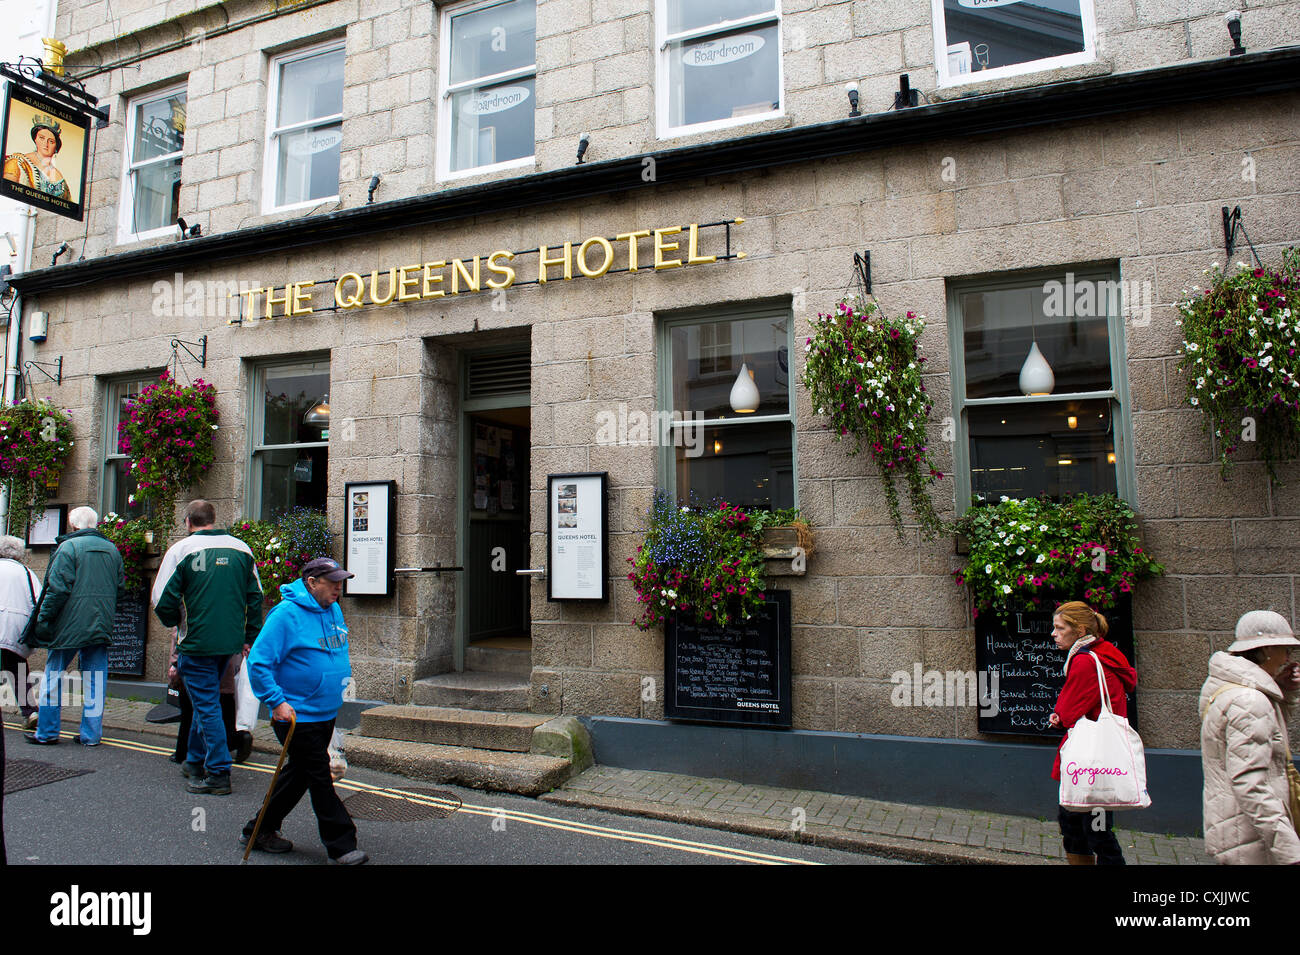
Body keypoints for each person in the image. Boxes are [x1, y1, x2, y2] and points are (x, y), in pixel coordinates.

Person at [242, 557, 366, 864]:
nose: (339, 587)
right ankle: (341, 845)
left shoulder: (333, 608)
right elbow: (258, 662)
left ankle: (258, 831)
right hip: (296, 715)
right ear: (312, 583)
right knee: (319, 777)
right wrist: (276, 701)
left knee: (298, 775)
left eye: (341, 581)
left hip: (324, 711)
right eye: (332, 581)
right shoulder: (285, 615)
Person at [152, 500, 263, 795]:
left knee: (208, 706)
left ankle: (218, 771)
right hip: (229, 643)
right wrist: (249, 636)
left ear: (188, 521)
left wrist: (177, 623)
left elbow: (161, 599)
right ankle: (194, 759)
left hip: (197, 642)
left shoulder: (181, 550)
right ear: (214, 519)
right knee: (207, 702)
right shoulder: (242, 549)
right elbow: (256, 597)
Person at [1199, 609, 1300, 865]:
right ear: (1266, 650)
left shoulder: (1230, 686)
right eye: (1285, 649)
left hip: (1236, 826)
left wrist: (1284, 693)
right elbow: (1249, 782)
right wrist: (1290, 851)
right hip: (1253, 839)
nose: (1289, 657)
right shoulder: (1250, 699)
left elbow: (1271, 739)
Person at [24, 507, 124, 746]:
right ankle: (91, 735)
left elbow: (57, 589)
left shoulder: (67, 548)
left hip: (67, 625)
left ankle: (47, 732)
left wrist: (44, 618)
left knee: (53, 677)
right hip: (100, 623)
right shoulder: (112, 549)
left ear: (73, 526)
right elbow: (120, 588)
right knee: (96, 681)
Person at [1047, 600, 1137, 865]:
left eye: (1060, 628)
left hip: (1092, 763)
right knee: (1077, 824)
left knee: (1095, 831)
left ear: (1080, 629)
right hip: (1100, 757)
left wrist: (1058, 717)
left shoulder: (1086, 662)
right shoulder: (1106, 653)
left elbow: (1066, 711)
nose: (1054, 634)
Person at [0, 535, 42, 729]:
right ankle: (30, 712)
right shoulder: (27, 572)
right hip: (17, 628)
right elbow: (39, 600)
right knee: (18, 671)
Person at [2, 114, 71, 200]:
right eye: (42, 138)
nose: (46, 144)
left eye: (51, 141)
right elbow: (7, 193)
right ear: (35, 139)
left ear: (56, 146)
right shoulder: (17, 162)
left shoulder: (61, 180)